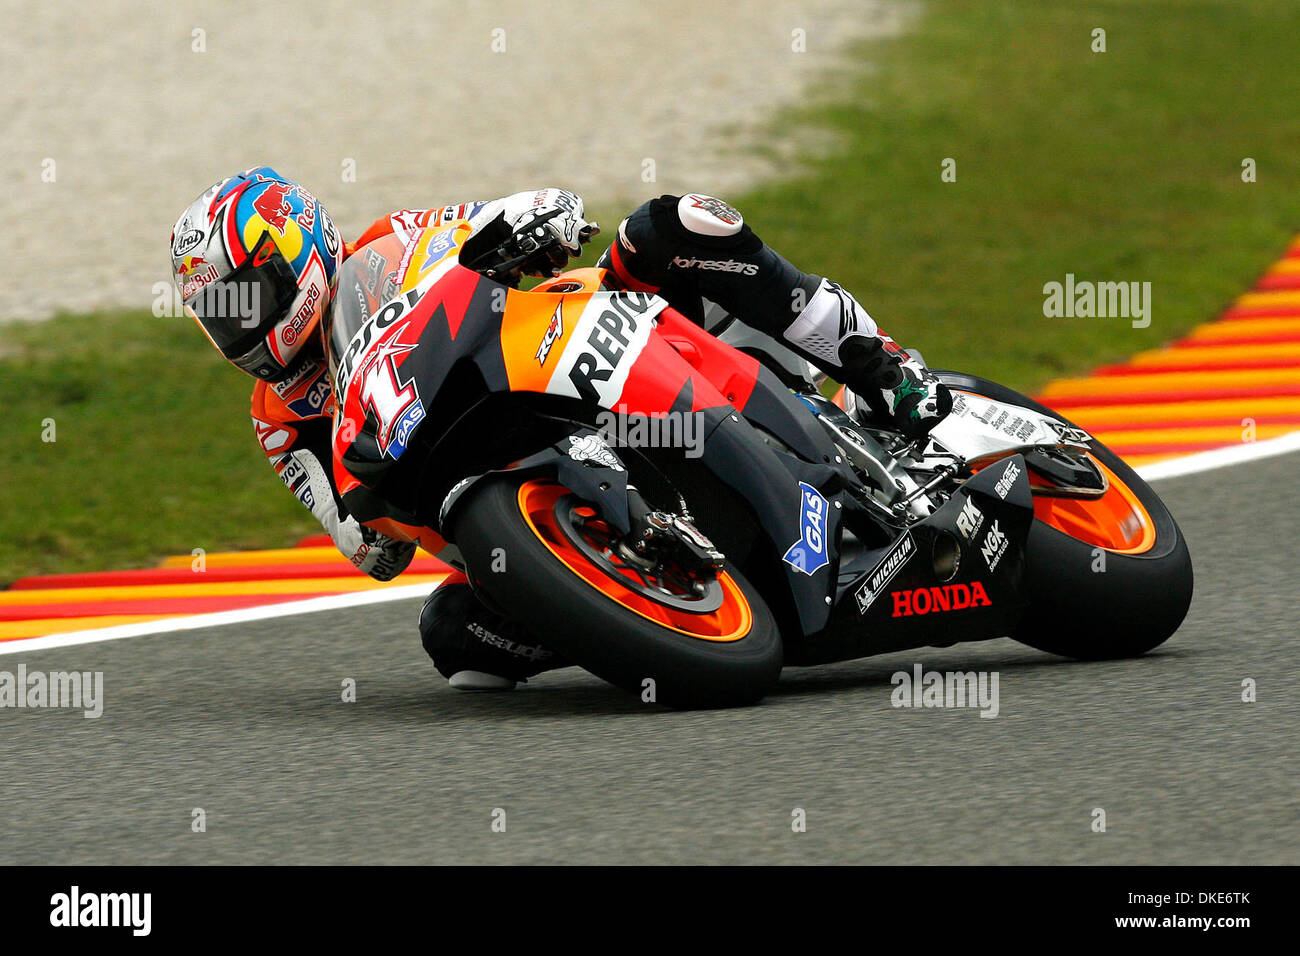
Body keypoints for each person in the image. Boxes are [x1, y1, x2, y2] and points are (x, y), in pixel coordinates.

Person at [170, 166, 951, 691]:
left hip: (556, 361)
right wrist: (360, 519)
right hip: (468, 475)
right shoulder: (277, 420)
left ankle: (878, 367)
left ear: (301, 249)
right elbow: (369, 546)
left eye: (250, 293)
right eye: (220, 314)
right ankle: (621, 605)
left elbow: (484, 227)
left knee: (670, 226)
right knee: (453, 637)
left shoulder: (388, 244)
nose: (244, 324)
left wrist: (531, 220)